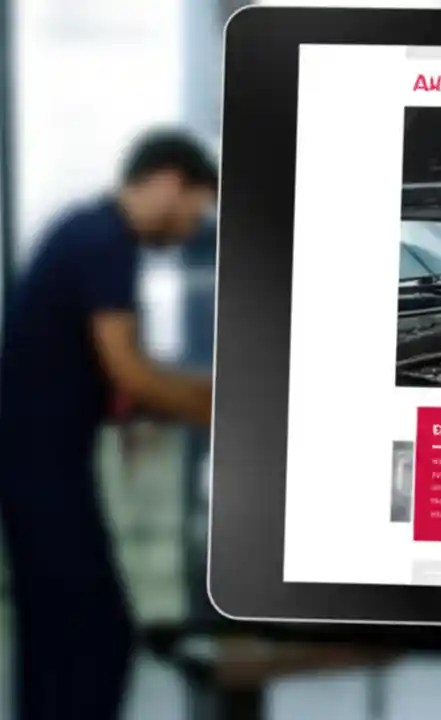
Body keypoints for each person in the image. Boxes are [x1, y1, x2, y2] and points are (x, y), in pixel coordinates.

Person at [0, 129, 218, 719]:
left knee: (53, 637)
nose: (193, 226)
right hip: (38, 469)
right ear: (172, 183)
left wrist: (207, 394)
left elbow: (121, 374)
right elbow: (133, 372)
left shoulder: (85, 230)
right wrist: (223, 417)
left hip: (39, 463)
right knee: (99, 637)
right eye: (198, 207)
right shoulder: (105, 242)